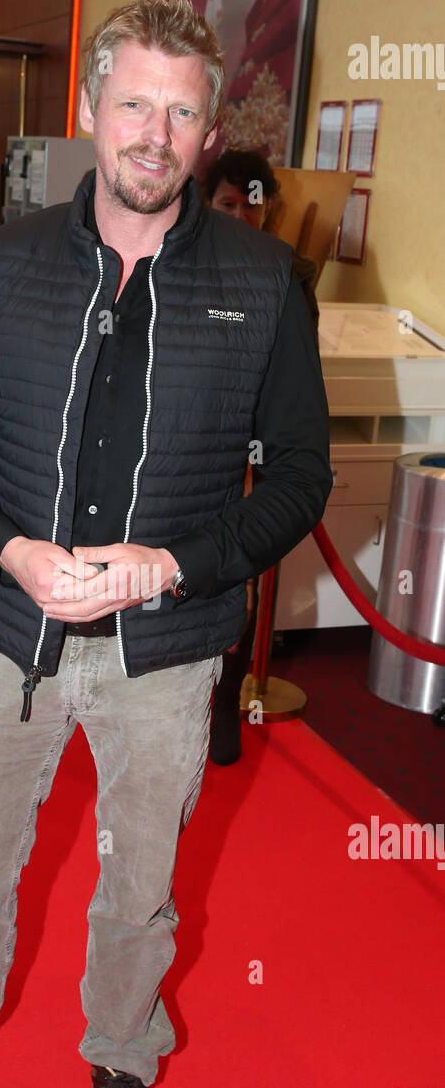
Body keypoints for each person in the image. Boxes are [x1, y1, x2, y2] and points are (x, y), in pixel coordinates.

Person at [0, 0, 333, 1088]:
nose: (156, 135)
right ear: (90, 109)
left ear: (209, 127)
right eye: (135, 104)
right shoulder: (7, 263)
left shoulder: (266, 284)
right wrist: (7, 548)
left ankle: (120, 1073)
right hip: (1, 642)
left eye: (182, 111)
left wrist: (171, 566)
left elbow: (302, 479)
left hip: (165, 658)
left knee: (138, 892)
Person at [205, 148, 321, 766]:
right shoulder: (183, 262)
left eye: (254, 205)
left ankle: (225, 699)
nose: (243, 216)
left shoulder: (287, 275)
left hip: (257, 452)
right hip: (197, 442)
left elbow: (299, 384)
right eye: (229, 205)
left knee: (240, 576)